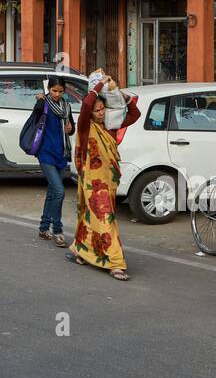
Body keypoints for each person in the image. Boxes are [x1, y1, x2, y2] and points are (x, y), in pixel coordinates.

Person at [66, 76, 138, 281]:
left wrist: (122, 97)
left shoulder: (110, 127)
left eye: (102, 110)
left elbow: (135, 114)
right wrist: (99, 85)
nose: (99, 113)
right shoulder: (85, 126)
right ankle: (116, 263)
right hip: (92, 182)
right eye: (96, 111)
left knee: (91, 218)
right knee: (105, 219)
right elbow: (87, 103)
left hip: (108, 182)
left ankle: (82, 251)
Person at [30, 76, 76, 247]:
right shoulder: (44, 103)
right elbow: (35, 117)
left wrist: (70, 129)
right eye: (53, 91)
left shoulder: (66, 106)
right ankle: (57, 230)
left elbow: (71, 128)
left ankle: (43, 228)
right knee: (59, 192)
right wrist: (39, 100)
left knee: (52, 192)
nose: (56, 94)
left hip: (61, 153)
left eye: (60, 91)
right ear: (48, 89)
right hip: (46, 153)